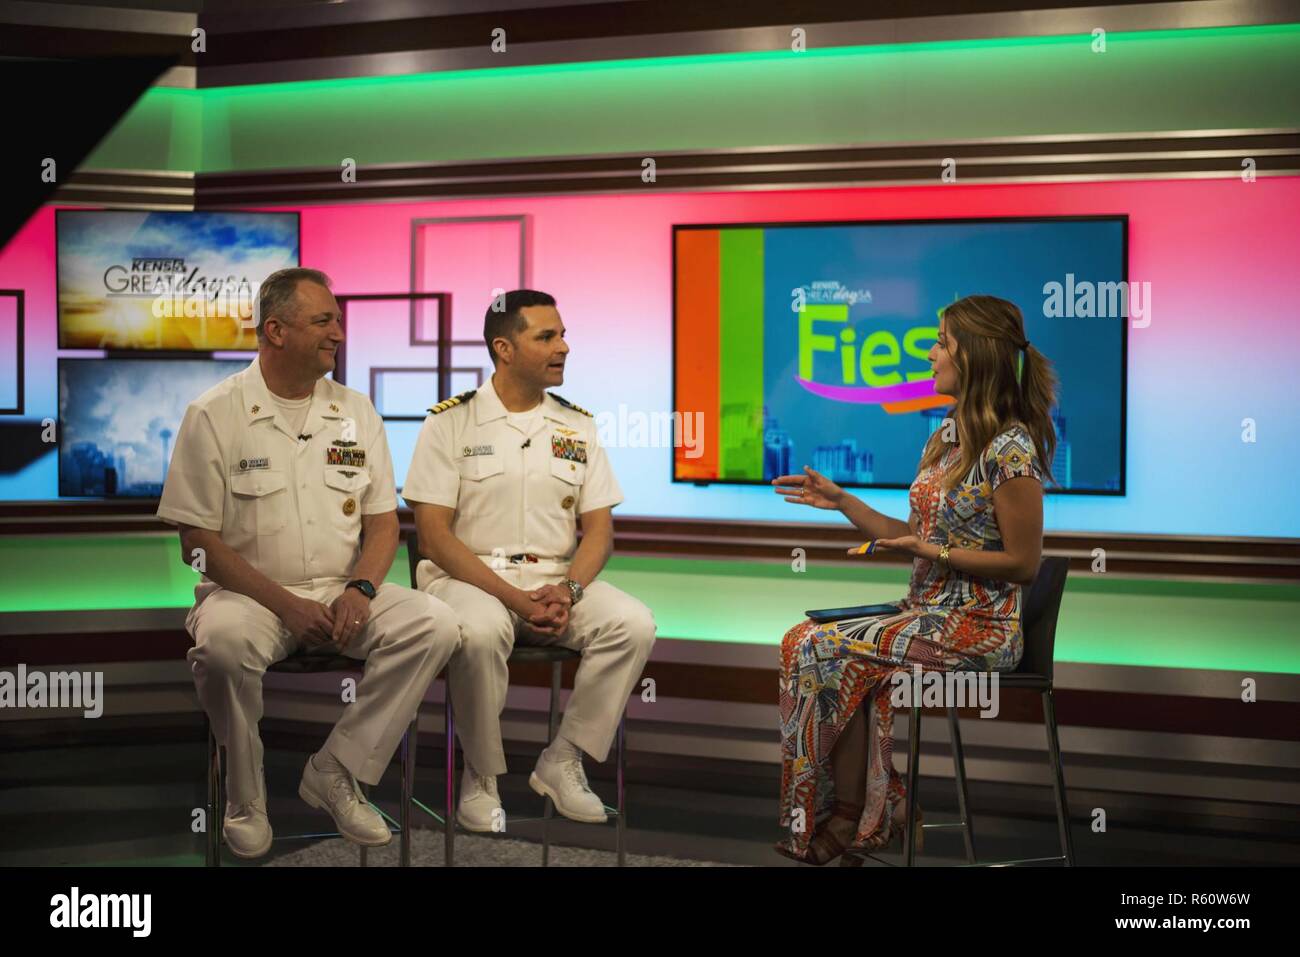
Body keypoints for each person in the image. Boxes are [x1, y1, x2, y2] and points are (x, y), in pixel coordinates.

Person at [157, 267, 460, 858]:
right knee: (222, 647)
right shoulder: (213, 413)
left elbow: (382, 524)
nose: (338, 333)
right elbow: (196, 541)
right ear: (275, 330)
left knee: (437, 624)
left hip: (342, 592)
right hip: (248, 597)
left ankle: (337, 769)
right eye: (324, 321)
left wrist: (361, 589)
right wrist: (287, 605)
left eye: (337, 320)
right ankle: (246, 798)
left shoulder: (356, 411)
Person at [771, 294, 1058, 865]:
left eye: (941, 343)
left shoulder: (1011, 448)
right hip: (924, 615)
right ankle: (871, 807)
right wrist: (843, 501)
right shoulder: (948, 435)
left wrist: (937, 551)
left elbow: (1024, 563)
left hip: (980, 628)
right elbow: (913, 534)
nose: (930, 353)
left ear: (974, 355)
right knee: (803, 641)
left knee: (825, 648)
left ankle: (852, 814)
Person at [402, 289, 655, 831]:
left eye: (562, 335)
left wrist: (569, 592)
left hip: (554, 581)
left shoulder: (577, 425)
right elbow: (433, 538)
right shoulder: (450, 423)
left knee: (632, 623)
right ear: (505, 348)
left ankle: (563, 759)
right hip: (468, 579)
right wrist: (514, 598)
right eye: (547, 336)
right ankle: (480, 776)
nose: (563, 347)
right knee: (481, 628)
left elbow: (600, 533)